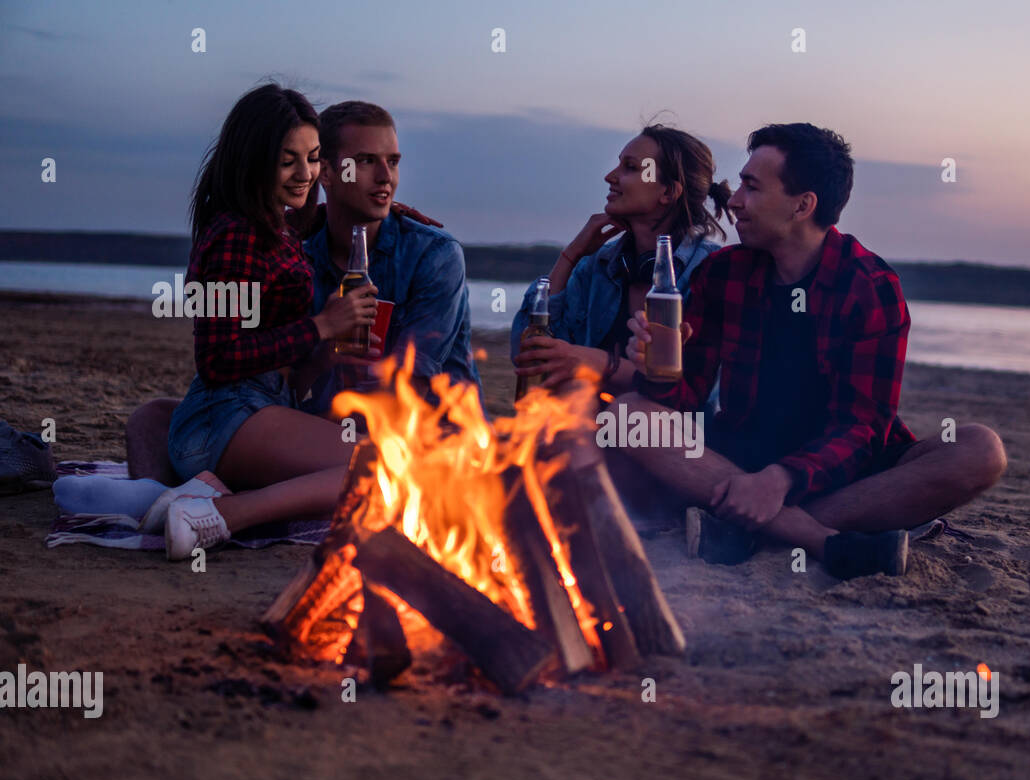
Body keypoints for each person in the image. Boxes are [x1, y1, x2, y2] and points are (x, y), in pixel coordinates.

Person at [619, 123, 1007, 578]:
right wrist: (655, 373)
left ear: (803, 205)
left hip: (844, 472)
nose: (734, 201)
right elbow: (689, 397)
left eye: (752, 186)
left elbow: (864, 427)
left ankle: (749, 528)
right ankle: (822, 539)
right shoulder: (724, 273)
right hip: (741, 460)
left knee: (981, 448)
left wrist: (781, 479)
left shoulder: (871, 286)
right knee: (630, 415)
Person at [159, 84, 378, 560]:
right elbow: (216, 359)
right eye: (288, 161)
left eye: (315, 158)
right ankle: (221, 516)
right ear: (255, 160)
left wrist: (328, 347)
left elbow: (317, 218)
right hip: (230, 414)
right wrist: (320, 325)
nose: (307, 174)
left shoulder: (273, 227)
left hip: (248, 411)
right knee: (375, 468)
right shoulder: (236, 234)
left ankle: (194, 494)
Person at [510, 124, 733, 393]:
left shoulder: (712, 270)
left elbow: (700, 391)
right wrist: (570, 255)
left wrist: (602, 363)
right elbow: (526, 354)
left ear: (668, 192)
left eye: (631, 167)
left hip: (673, 428)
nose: (609, 176)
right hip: (592, 421)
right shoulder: (597, 265)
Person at [294, 100, 480, 416]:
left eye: (392, 162)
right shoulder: (299, 257)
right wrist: (321, 355)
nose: (385, 177)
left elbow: (408, 395)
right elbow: (286, 388)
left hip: (437, 445)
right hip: (336, 433)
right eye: (366, 161)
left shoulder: (434, 256)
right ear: (326, 172)